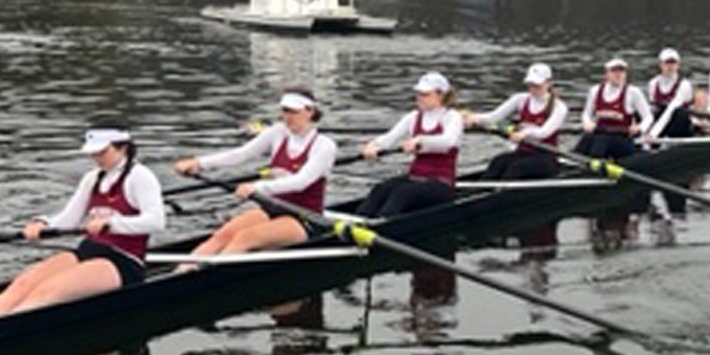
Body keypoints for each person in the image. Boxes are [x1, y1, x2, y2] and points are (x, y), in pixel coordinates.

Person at [0, 128, 166, 320]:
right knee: (23, 283)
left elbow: (156, 221)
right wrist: (43, 223)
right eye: (93, 153)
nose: (96, 158)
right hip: (87, 251)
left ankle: (1, 327)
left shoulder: (140, 177)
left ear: (122, 148)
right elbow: (69, 219)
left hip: (123, 261)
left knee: (48, 291)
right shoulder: (92, 178)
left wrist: (112, 223)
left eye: (102, 152)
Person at [174, 89, 338, 257]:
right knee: (222, 235)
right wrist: (198, 163)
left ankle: (212, 272)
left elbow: (301, 182)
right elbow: (241, 155)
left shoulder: (324, 146)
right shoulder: (278, 133)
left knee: (244, 238)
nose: (287, 117)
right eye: (285, 111)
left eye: (293, 112)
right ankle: (184, 269)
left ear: (310, 112)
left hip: (305, 219)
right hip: (272, 209)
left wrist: (257, 187)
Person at [356, 72, 463, 218]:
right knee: (380, 189)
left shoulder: (452, 117)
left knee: (402, 193)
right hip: (415, 178)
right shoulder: (413, 117)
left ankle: (382, 224)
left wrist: (421, 141)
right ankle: (358, 221)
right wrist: (373, 145)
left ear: (441, 95)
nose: (419, 97)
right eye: (418, 93)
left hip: (442, 184)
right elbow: (390, 138)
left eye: (425, 94)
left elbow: (448, 142)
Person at [464, 62, 568, 180]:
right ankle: (480, 188)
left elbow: (544, 132)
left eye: (537, 86)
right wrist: (474, 118)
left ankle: (501, 191)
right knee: (498, 162)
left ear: (549, 83)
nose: (533, 90)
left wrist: (524, 133)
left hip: (545, 158)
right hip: (523, 153)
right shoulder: (520, 99)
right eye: (530, 85)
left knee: (517, 169)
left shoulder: (559, 107)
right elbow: (494, 117)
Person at [575, 57, 655, 161]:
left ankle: (592, 162)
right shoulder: (595, 91)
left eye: (621, 71)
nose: (618, 74)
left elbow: (648, 117)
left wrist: (639, 128)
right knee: (588, 138)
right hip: (600, 136)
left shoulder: (633, 92)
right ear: (607, 74)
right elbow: (586, 114)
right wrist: (587, 123)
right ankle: (574, 159)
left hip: (622, 139)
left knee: (602, 140)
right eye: (614, 71)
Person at [645, 47, 695, 141]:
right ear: (660, 65)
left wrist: (653, 134)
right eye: (667, 63)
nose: (670, 66)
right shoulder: (653, 83)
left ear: (678, 65)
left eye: (673, 63)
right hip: (662, 122)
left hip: (680, 126)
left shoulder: (684, 85)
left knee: (678, 113)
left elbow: (671, 109)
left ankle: (668, 141)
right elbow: (651, 111)